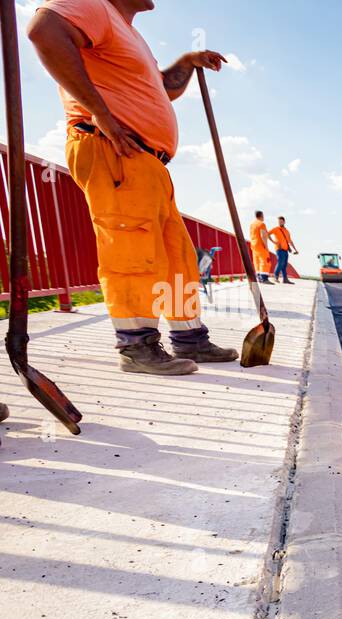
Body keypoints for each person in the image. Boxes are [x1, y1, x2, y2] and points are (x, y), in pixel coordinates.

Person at [26, 0, 239, 374]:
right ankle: (136, 345)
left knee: (177, 255)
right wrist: (101, 114)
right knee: (130, 248)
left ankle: (190, 339)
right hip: (114, 148)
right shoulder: (94, 5)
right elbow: (43, 30)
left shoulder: (128, 32)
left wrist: (187, 62)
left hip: (148, 162)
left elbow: (161, 88)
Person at [269, 216, 297, 284]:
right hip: (279, 249)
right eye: (279, 221)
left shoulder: (287, 231)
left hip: (285, 250)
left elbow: (290, 241)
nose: (280, 223)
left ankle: (285, 279)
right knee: (280, 262)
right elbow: (267, 234)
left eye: (281, 221)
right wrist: (273, 242)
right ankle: (276, 277)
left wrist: (295, 249)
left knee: (284, 265)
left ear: (284, 222)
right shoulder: (276, 229)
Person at [249, 211, 274, 284]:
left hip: (253, 245)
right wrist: (266, 246)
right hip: (260, 245)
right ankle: (264, 279)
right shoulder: (261, 224)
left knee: (257, 261)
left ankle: (259, 278)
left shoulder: (252, 224)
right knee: (265, 261)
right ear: (261, 216)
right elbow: (263, 235)